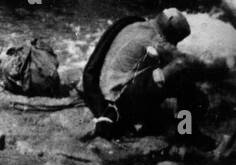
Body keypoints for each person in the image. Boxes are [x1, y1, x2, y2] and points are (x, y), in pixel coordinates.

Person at [83, 8, 225, 145]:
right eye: (176, 40)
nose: (175, 44)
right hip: (118, 102)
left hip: (106, 90)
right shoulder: (157, 40)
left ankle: (179, 126)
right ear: (169, 33)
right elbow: (184, 62)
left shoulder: (137, 25)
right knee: (182, 73)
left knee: (175, 79)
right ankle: (186, 133)